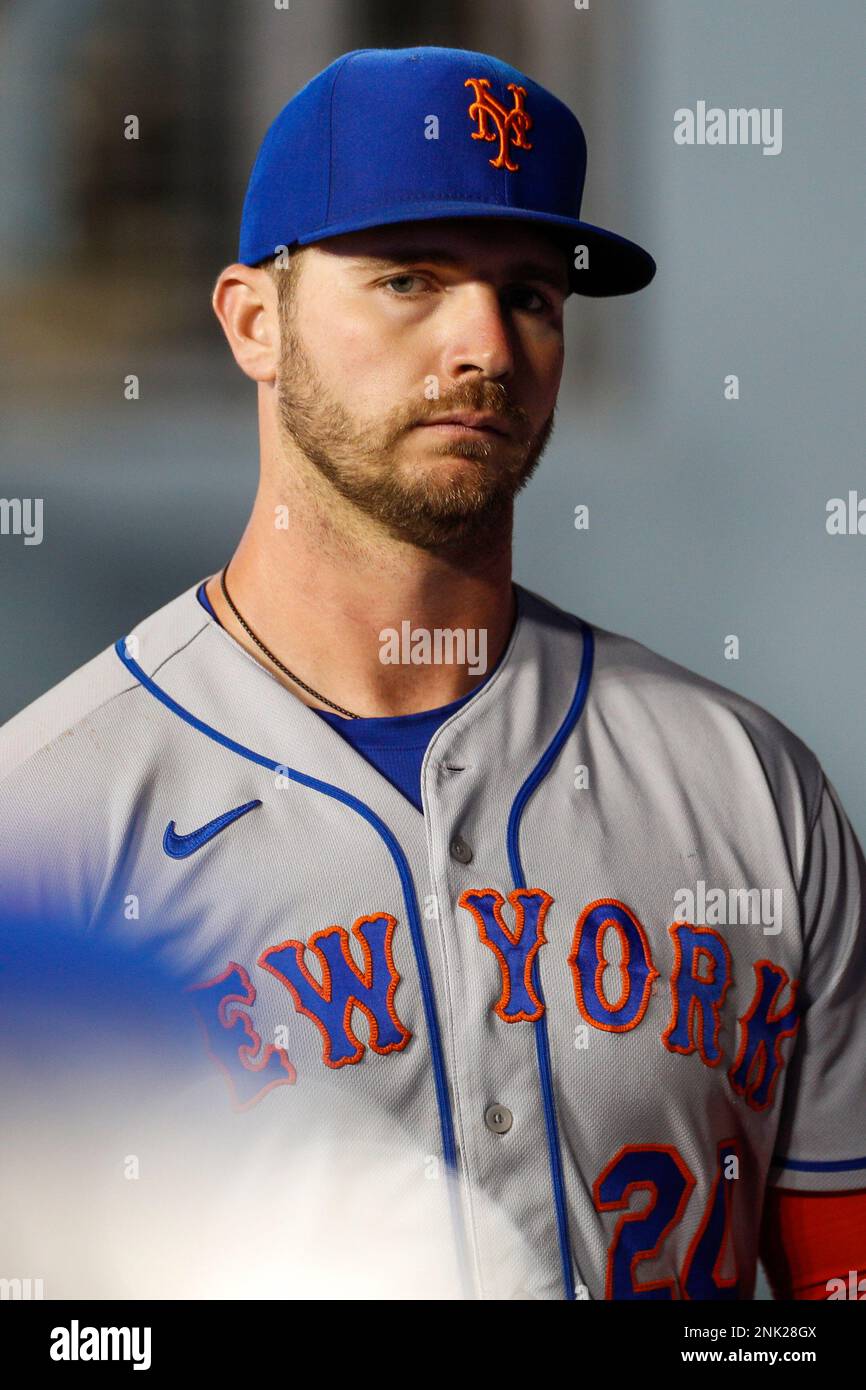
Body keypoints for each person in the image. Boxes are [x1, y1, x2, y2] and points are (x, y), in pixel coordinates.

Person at [1, 46, 864, 1301]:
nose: (484, 346)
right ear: (254, 321)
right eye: (409, 278)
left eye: (529, 296)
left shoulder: (747, 789)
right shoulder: (48, 822)